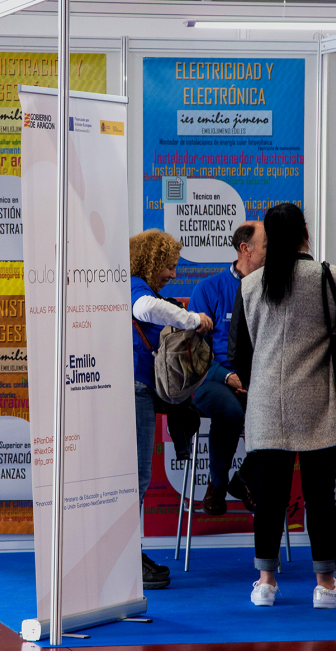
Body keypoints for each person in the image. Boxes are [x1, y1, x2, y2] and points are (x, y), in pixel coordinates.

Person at [228, 203, 336, 609]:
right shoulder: (329, 277)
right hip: (319, 400)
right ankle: (325, 584)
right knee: (321, 495)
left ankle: (266, 583)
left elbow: (237, 353)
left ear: (266, 237)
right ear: (305, 230)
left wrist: (261, 383)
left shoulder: (250, 285)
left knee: (269, 495)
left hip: (267, 403)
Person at [130, 228, 213, 590]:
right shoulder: (135, 287)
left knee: (135, 479)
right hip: (136, 391)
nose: (173, 273)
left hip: (139, 390)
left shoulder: (137, 286)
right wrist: (192, 320)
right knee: (137, 478)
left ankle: (128, 555)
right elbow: (145, 309)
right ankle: (129, 559)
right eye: (169, 265)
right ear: (152, 261)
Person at [187, 221, 266, 515]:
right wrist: (227, 376)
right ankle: (217, 485)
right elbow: (193, 352)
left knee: (289, 412)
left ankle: (244, 479)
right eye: (266, 246)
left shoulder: (272, 289)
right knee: (231, 410)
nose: (272, 252)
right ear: (246, 249)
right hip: (211, 378)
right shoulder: (208, 288)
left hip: (260, 378)